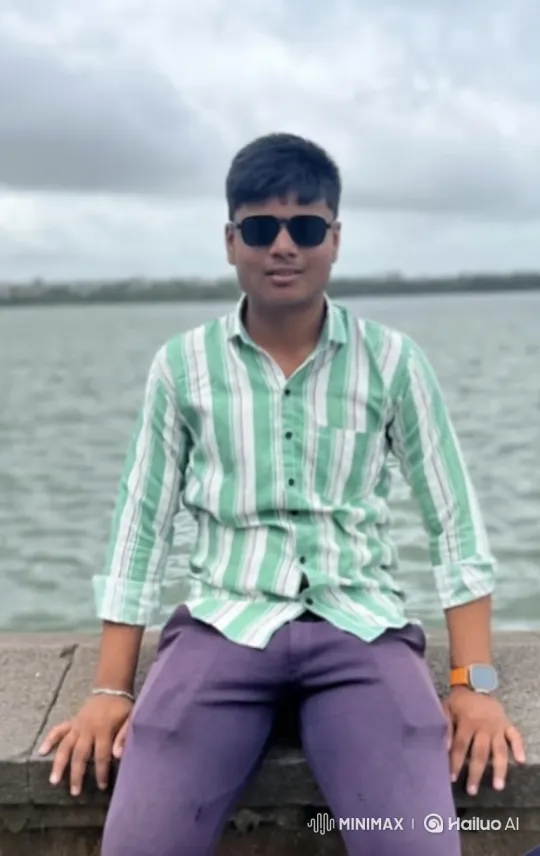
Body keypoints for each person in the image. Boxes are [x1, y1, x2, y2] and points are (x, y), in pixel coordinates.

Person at [39, 132, 525, 856]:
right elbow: (139, 530)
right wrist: (110, 693)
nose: (284, 246)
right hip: (221, 625)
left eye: (306, 227)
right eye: (262, 228)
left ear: (335, 239)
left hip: (360, 628)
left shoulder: (393, 361)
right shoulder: (182, 366)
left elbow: (455, 526)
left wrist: (474, 682)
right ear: (232, 241)